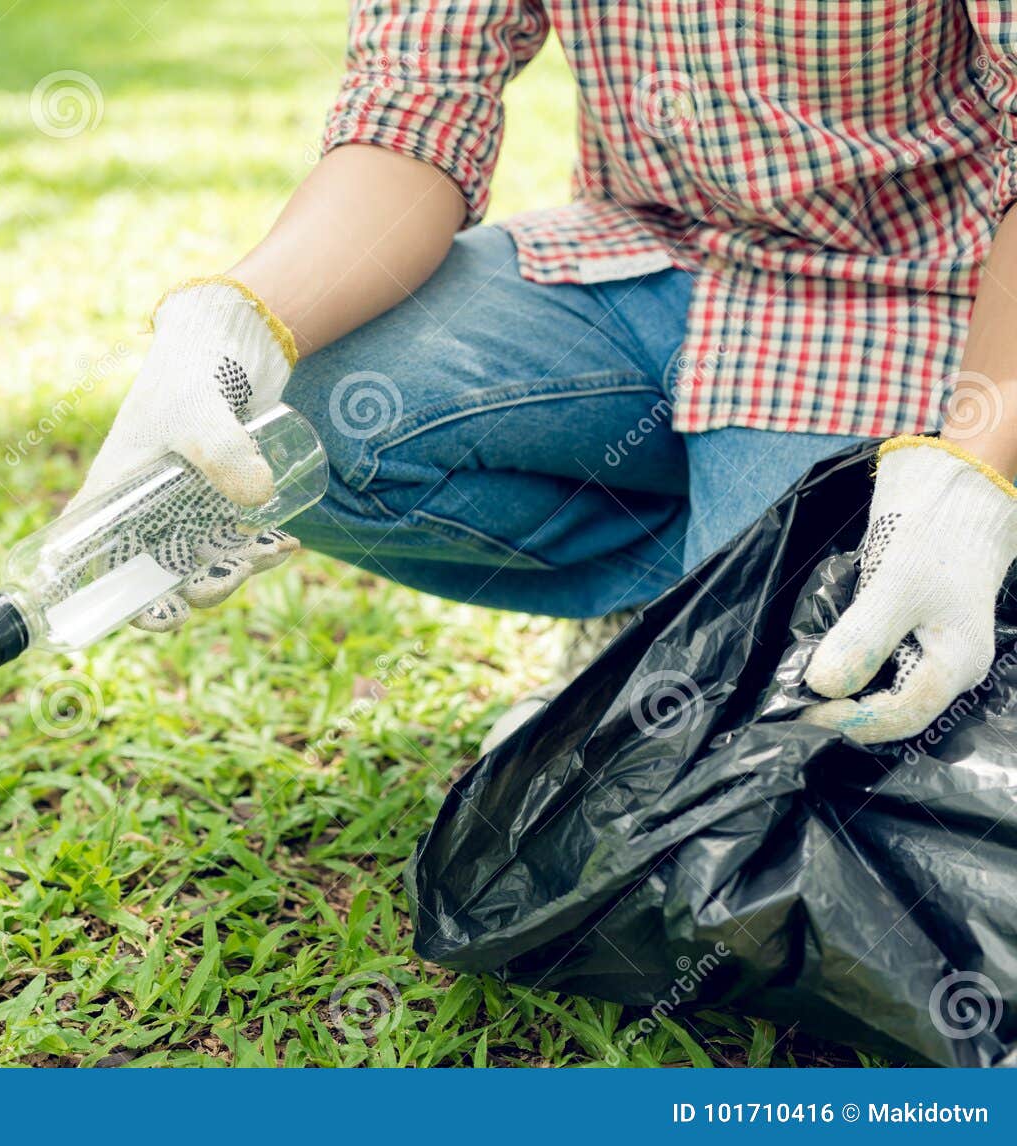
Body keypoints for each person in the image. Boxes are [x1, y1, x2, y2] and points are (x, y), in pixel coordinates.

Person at [68, 2, 1017, 746]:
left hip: (908, 290)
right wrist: (232, 324)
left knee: (781, 731)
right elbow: (415, 106)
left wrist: (972, 465)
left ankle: (865, 555)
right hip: (643, 256)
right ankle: (663, 605)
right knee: (297, 419)